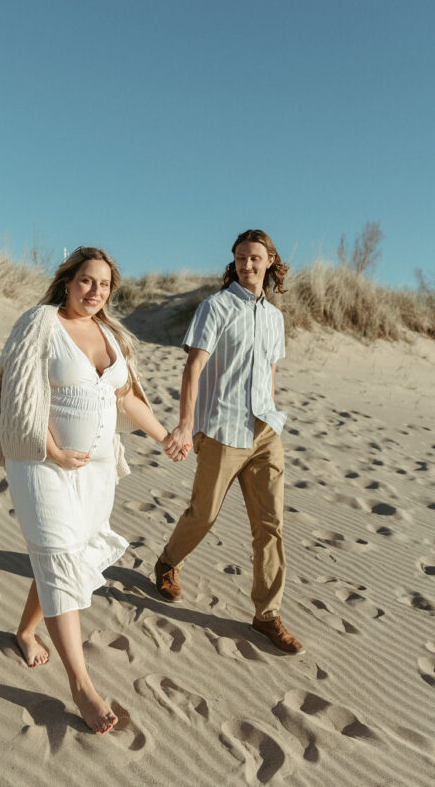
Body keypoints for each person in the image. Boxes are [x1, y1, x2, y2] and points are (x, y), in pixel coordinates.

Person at [0, 247, 174, 734]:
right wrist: (52, 451)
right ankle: (80, 685)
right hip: (40, 463)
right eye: (87, 281)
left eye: (105, 285)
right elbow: (18, 395)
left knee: (62, 555)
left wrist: (166, 436)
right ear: (68, 281)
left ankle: (26, 629)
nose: (96, 292)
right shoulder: (41, 323)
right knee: (56, 552)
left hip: (95, 472)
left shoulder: (111, 336)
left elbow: (127, 395)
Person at [158, 229, 304, 655]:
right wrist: (186, 426)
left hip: (264, 433)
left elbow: (270, 373)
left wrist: (271, 415)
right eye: (241, 257)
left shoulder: (275, 318)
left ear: (270, 262)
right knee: (203, 514)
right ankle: (167, 563)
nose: (247, 264)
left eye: (255, 257)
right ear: (234, 261)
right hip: (222, 430)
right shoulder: (215, 307)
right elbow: (193, 369)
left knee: (271, 526)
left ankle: (267, 616)